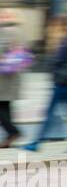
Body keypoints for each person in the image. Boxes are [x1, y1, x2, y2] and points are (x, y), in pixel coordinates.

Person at [24, 14, 67, 153]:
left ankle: (36, 142)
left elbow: (56, 61)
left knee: (50, 114)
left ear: (60, 26)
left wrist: (49, 58)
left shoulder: (65, 42)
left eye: (54, 25)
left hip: (61, 82)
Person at [0, 9, 35, 149]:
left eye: (3, 15)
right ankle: (11, 135)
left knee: (2, 107)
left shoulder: (6, 31)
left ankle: (13, 132)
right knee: (5, 106)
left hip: (4, 77)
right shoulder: (19, 31)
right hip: (11, 77)